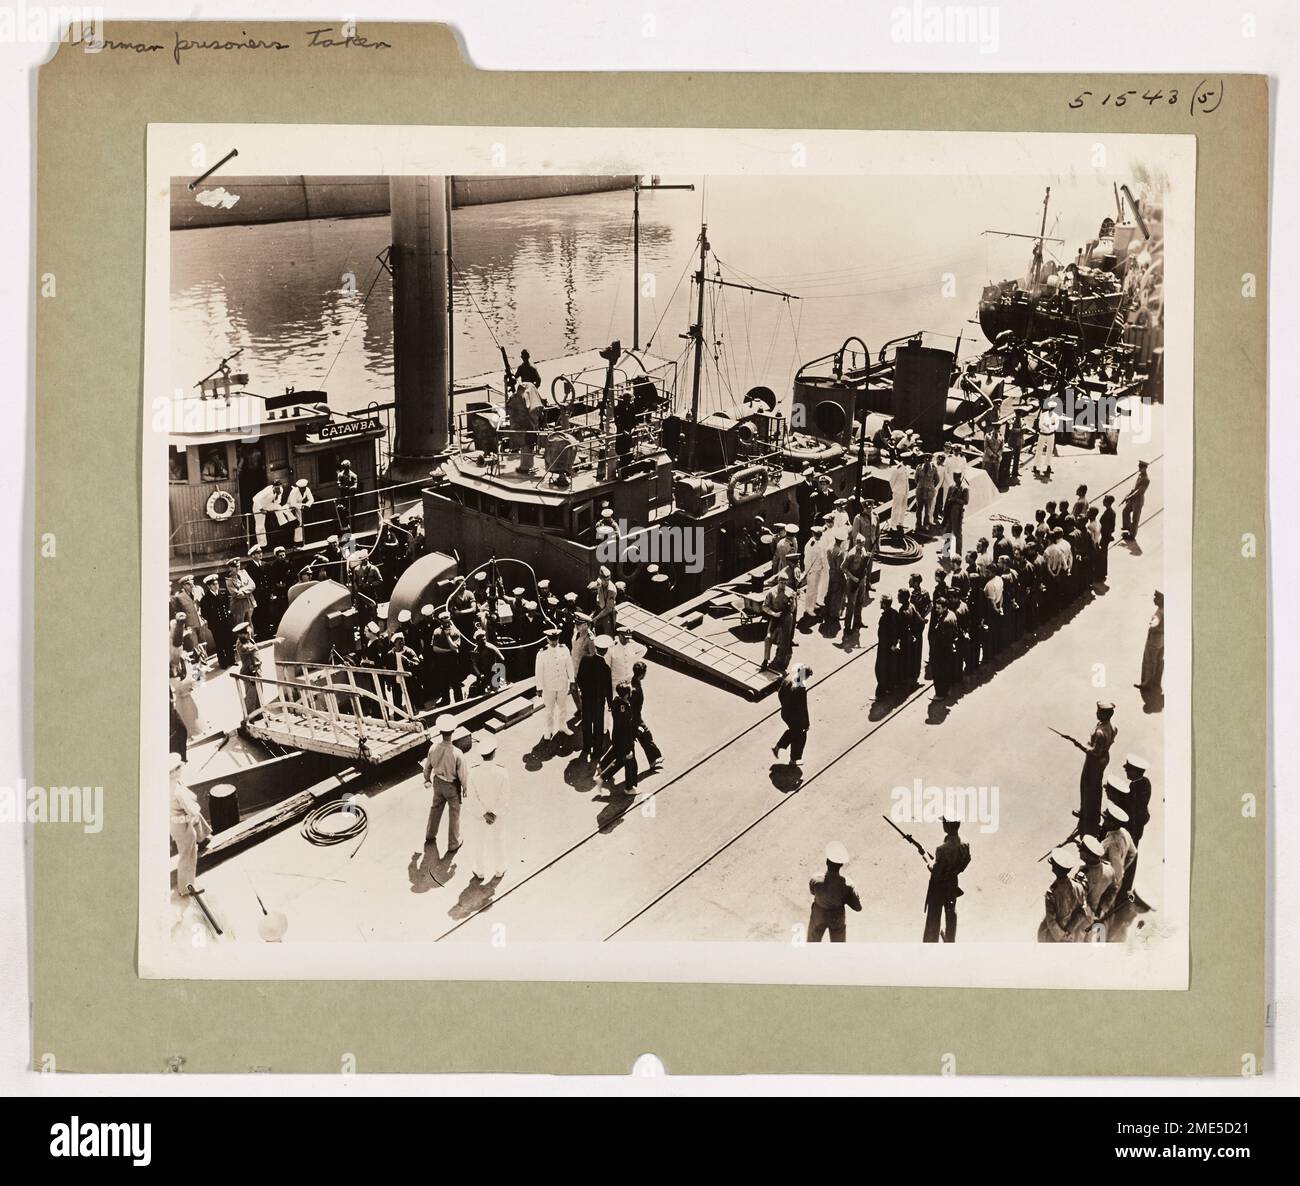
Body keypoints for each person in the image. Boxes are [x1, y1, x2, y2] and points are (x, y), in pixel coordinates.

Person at [422, 716, 470, 854]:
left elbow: (427, 767)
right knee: (454, 813)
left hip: (437, 782)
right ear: (453, 731)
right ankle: (453, 843)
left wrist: (427, 779)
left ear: (440, 732)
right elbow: (463, 774)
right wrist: (465, 788)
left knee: (435, 808)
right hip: (451, 786)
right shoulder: (457, 753)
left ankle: (430, 834)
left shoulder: (433, 748)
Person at [468, 736, 511, 882]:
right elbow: (504, 796)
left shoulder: (473, 773)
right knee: (498, 839)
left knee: (480, 841)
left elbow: (472, 797)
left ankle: (480, 870)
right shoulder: (502, 772)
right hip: (497, 815)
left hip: (480, 816)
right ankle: (500, 868)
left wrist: (484, 814)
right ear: (494, 753)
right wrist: (494, 813)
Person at [1108, 754, 1153, 894]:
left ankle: (1120, 891)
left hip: (1132, 831)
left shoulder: (1141, 784)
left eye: (1128, 769)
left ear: (1137, 771)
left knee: (1125, 861)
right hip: (1131, 830)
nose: (1125, 770)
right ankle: (1120, 889)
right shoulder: (1137, 784)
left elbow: (1135, 810)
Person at [169, 754, 211, 898]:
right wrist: (197, 808)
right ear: (172, 772)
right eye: (178, 767)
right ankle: (187, 887)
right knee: (188, 857)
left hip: (174, 825)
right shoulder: (178, 791)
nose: (182, 766)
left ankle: (184, 885)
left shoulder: (169, 785)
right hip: (184, 828)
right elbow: (193, 811)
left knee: (184, 855)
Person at [923, 818, 970, 943]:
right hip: (952, 883)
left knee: (934, 916)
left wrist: (926, 859)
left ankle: (930, 941)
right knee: (951, 913)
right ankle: (950, 939)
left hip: (938, 887)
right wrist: (954, 870)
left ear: (947, 826)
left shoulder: (942, 849)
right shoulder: (965, 844)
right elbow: (966, 861)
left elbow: (936, 870)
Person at [1076, 701, 1118, 838]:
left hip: (1094, 761)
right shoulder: (1112, 727)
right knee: (1094, 786)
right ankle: (1087, 811)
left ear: (1105, 714)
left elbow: (1095, 752)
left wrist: (1079, 745)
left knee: (1088, 786)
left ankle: (1087, 814)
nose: (1096, 713)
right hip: (1103, 759)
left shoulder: (1100, 732)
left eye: (1099, 712)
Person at [807, 841, 862, 942]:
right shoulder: (848, 884)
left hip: (819, 913)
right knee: (838, 946)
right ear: (841, 865)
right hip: (836, 917)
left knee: (812, 941)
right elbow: (858, 907)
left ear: (827, 862)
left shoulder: (815, 879)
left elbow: (812, 892)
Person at [1038, 847, 1088, 942]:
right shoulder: (1079, 887)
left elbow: (1051, 921)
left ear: (1054, 868)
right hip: (1071, 933)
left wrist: (1062, 937)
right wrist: (1069, 930)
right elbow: (1082, 911)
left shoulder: (1052, 892)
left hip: (1054, 936)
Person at [577, 634, 614, 763]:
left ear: (596, 648)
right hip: (599, 701)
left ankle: (586, 747)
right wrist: (610, 703)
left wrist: (584, 692)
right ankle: (597, 751)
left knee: (586, 723)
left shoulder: (585, 660)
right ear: (606, 650)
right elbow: (608, 687)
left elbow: (580, 679)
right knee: (598, 725)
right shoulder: (606, 668)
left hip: (587, 699)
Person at [534, 627, 574, 742]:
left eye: (555, 639)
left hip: (562, 684)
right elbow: (539, 671)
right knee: (549, 710)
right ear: (547, 639)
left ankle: (562, 726)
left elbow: (569, 666)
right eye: (551, 639)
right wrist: (539, 688)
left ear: (558, 639)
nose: (553, 642)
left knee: (563, 708)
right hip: (549, 686)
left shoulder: (564, 649)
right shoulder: (542, 653)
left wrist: (572, 681)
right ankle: (548, 729)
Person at [601, 683, 639, 792]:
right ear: (627, 695)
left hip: (617, 736)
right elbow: (625, 729)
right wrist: (628, 750)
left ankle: (602, 772)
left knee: (619, 759)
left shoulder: (616, 702)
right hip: (625, 740)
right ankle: (629, 788)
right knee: (630, 763)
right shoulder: (624, 708)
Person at [772, 665, 811, 766]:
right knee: (800, 736)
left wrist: (784, 705)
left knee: (794, 731)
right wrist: (806, 724)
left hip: (785, 713)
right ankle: (793, 760)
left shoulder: (788, 680)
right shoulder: (800, 688)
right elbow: (803, 708)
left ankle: (777, 747)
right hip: (795, 717)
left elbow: (780, 693)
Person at [629, 660, 663, 772]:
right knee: (646, 736)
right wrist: (636, 725)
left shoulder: (634, 681)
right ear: (643, 674)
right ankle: (604, 770)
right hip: (636, 718)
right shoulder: (636, 689)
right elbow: (634, 709)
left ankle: (653, 761)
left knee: (645, 739)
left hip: (636, 717)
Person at [1099, 802, 1136, 901]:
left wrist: (1110, 886)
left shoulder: (1112, 843)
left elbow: (1116, 870)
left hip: (1107, 884)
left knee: (1101, 913)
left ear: (1112, 823)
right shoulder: (1124, 832)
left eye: (1105, 819)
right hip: (1114, 881)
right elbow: (1133, 852)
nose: (1103, 821)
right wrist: (1124, 867)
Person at [761, 573, 797, 672]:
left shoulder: (791, 592)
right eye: (781, 582)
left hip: (786, 617)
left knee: (784, 640)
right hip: (775, 616)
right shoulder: (771, 592)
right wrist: (773, 613)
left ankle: (780, 662)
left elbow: (793, 609)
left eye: (785, 582)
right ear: (778, 581)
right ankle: (765, 660)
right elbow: (764, 606)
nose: (783, 584)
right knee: (768, 638)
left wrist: (792, 601)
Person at [840, 537, 871, 638]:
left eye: (863, 544)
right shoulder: (851, 554)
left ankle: (858, 622)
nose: (862, 546)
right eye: (860, 544)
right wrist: (852, 578)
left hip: (862, 579)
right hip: (853, 581)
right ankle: (847, 627)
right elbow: (843, 567)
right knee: (851, 605)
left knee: (860, 601)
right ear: (856, 543)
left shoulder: (863, 550)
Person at [201, 573, 234, 667]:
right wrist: (213, 620)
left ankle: (231, 660)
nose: (216, 586)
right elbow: (204, 614)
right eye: (213, 584)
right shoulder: (205, 599)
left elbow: (228, 605)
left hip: (226, 622)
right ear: (208, 586)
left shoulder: (222, 594)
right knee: (220, 643)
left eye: (217, 584)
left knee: (229, 641)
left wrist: (227, 614)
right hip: (216, 625)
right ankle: (223, 663)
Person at [169, 657, 203, 739]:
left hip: (185, 693)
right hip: (178, 695)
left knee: (191, 711)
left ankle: (193, 729)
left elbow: (197, 681)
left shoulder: (183, 661)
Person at [1138, 591, 1164, 695]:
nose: (1154, 599)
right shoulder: (1165, 610)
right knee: (1159, 661)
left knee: (1150, 661)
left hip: (1154, 640)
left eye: (1156, 598)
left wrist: (1152, 626)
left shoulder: (1159, 613)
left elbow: (1154, 624)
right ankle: (1156, 683)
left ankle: (1147, 684)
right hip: (1162, 640)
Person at [802, 525, 829, 621]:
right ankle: (808, 608)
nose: (819, 536)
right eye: (817, 535)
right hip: (812, 571)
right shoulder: (810, 545)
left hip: (818, 569)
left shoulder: (819, 541)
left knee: (816, 589)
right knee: (811, 590)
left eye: (820, 535)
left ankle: (813, 605)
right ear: (813, 534)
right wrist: (809, 571)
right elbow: (807, 561)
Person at [942, 470, 969, 561]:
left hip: (957, 512)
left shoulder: (964, 488)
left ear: (960, 477)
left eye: (957, 477)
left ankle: (958, 553)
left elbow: (966, 501)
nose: (955, 479)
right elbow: (947, 499)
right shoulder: (952, 486)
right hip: (949, 511)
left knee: (957, 533)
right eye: (954, 477)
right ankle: (946, 549)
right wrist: (944, 510)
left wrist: (955, 499)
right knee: (947, 531)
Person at [1121, 460, 1150, 540]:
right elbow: (1134, 488)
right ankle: (1127, 528)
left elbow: (1139, 491)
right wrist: (1128, 495)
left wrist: (1129, 497)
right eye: (1139, 466)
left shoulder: (1146, 479)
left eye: (1140, 467)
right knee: (1125, 511)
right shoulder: (1140, 475)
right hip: (1133, 498)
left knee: (1135, 518)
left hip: (1138, 500)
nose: (1139, 468)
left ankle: (1132, 535)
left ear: (1145, 468)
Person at [225, 558, 257, 629]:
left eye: (238, 566)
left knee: (250, 625)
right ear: (230, 568)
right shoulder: (228, 579)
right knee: (240, 627)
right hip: (238, 606)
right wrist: (248, 590)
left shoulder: (244, 572)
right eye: (234, 567)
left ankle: (251, 639)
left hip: (249, 603)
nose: (237, 569)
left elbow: (253, 585)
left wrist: (242, 590)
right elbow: (236, 594)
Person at [1032, 396, 1059, 477]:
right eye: (1050, 407)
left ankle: (1048, 466)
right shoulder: (1043, 415)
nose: (1051, 409)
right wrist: (1049, 427)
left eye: (1052, 408)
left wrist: (1049, 427)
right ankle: (1035, 465)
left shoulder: (1056, 416)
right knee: (1039, 450)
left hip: (1050, 435)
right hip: (1043, 434)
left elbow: (1056, 426)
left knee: (1049, 451)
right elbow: (1040, 425)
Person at [914, 453, 938, 533]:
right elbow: (916, 479)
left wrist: (931, 486)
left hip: (929, 492)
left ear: (931, 460)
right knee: (919, 509)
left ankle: (926, 525)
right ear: (923, 459)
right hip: (920, 491)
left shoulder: (934, 469)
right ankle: (918, 525)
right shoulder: (919, 467)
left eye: (929, 459)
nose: (927, 460)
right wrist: (921, 485)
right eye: (925, 459)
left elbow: (937, 480)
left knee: (927, 510)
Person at [287, 478, 315, 545]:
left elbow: (311, 499)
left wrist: (307, 505)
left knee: (300, 522)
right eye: (301, 488)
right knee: (295, 522)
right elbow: (292, 503)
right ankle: (295, 541)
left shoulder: (307, 489)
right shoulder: (294, 491)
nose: (302, 490)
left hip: (299, 506)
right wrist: (303, 505)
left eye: (304, 488)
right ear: (298, 487)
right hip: (290, 506)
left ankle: (299, 540)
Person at [335, 458, 359, 530]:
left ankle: (353, 528)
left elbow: (355, 487)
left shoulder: (353, 475)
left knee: (352, 513)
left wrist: (345, 487)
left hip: (352, 497)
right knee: (342, 511)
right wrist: (349, 487)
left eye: (346, 467)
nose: (345, 469)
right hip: (343, 497)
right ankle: (344, 527)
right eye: (344, 467)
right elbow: (339, 486)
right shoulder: (340, 475)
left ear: (349, 467)